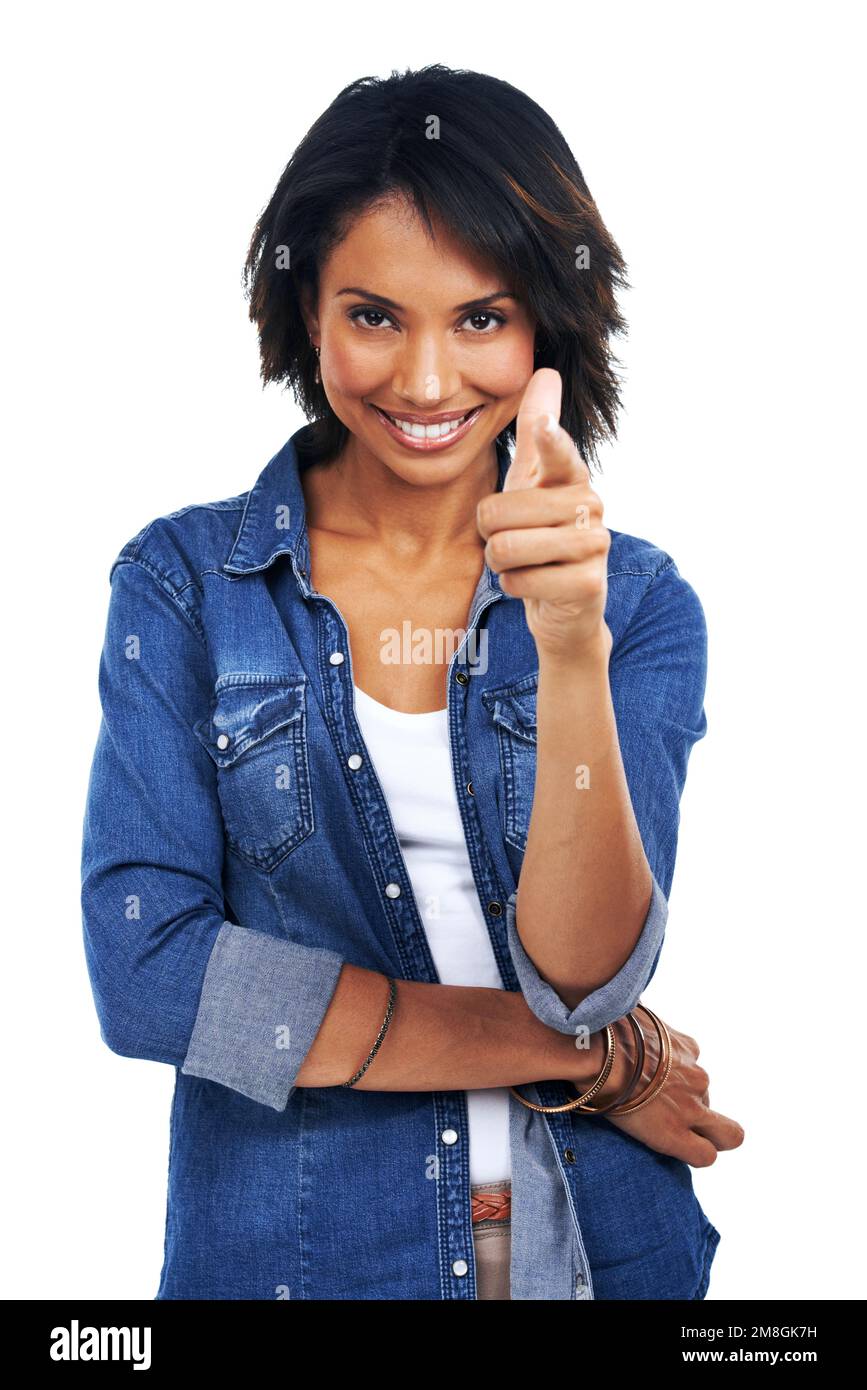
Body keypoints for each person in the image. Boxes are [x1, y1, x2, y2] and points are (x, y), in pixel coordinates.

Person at [80, 64, 744, 1301]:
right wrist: (589, 1064)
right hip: (298, 1262)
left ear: (547, 323)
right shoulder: (185, 586)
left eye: (481, 318)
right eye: (374, 316)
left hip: (600, 1250)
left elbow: (589, 978)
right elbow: (152, 977)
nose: (428, 383)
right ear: (307, 318)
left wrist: (568, 645)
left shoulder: (638, 606)